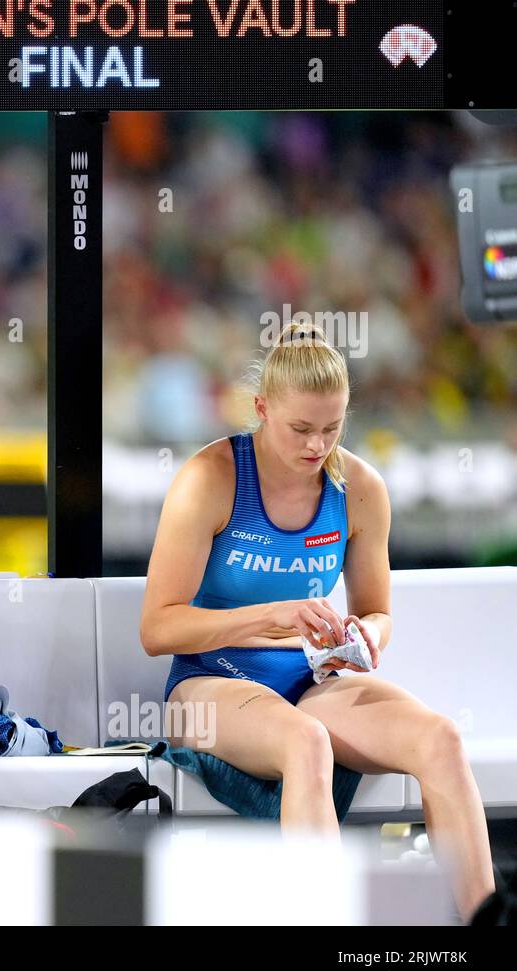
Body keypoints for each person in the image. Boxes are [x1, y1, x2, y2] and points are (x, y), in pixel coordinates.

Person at [140, 321, 496, 921]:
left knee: (441, 738)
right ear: (260, 409)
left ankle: (486, 922)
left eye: (331, 430)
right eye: (300, 429)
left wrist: (364, 638)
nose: (315, 447)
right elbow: (158, 629)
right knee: (305, 742)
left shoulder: (359, 487)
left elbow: (378, 612)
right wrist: (270, 616)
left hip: (311, 682)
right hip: (208, 687)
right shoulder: (211, 478)